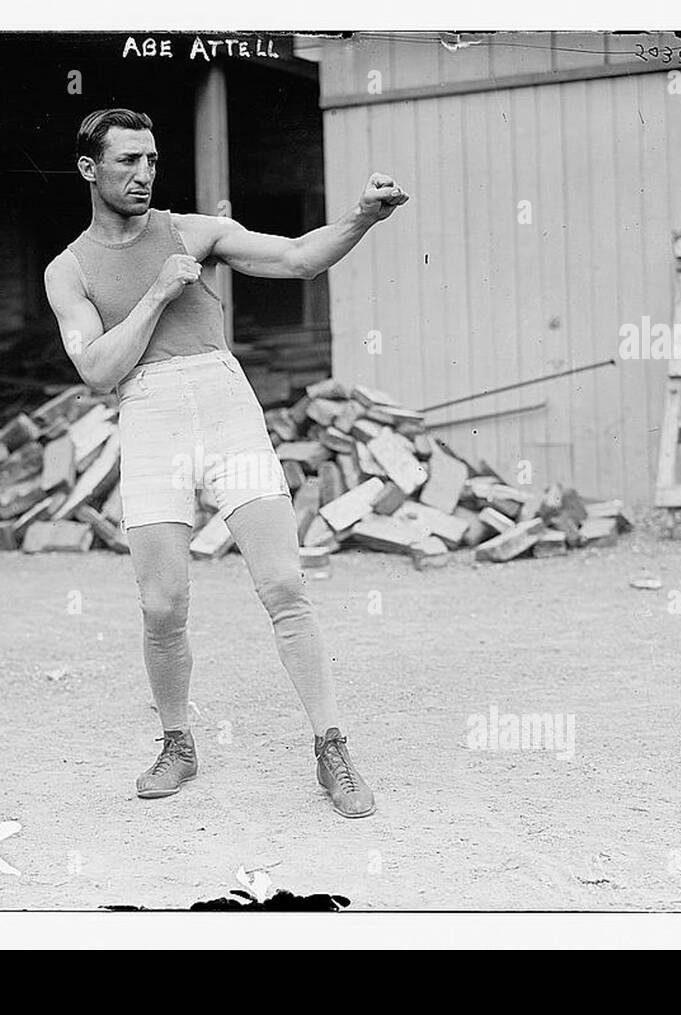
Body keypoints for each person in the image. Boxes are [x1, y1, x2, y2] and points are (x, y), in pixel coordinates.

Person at [43, 108, 409, 818]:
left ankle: (331, 745)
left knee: (283, 584)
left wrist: (362, 217)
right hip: (148, 415)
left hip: (224, 406)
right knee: (162, 605)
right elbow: (96, 368)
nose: (144, 174)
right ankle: (178, 742)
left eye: (151, 159)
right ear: (90, 169)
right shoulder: (68, 270)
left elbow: (298, 257)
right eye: (127, 162)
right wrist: (156, 293)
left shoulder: (192, 230)